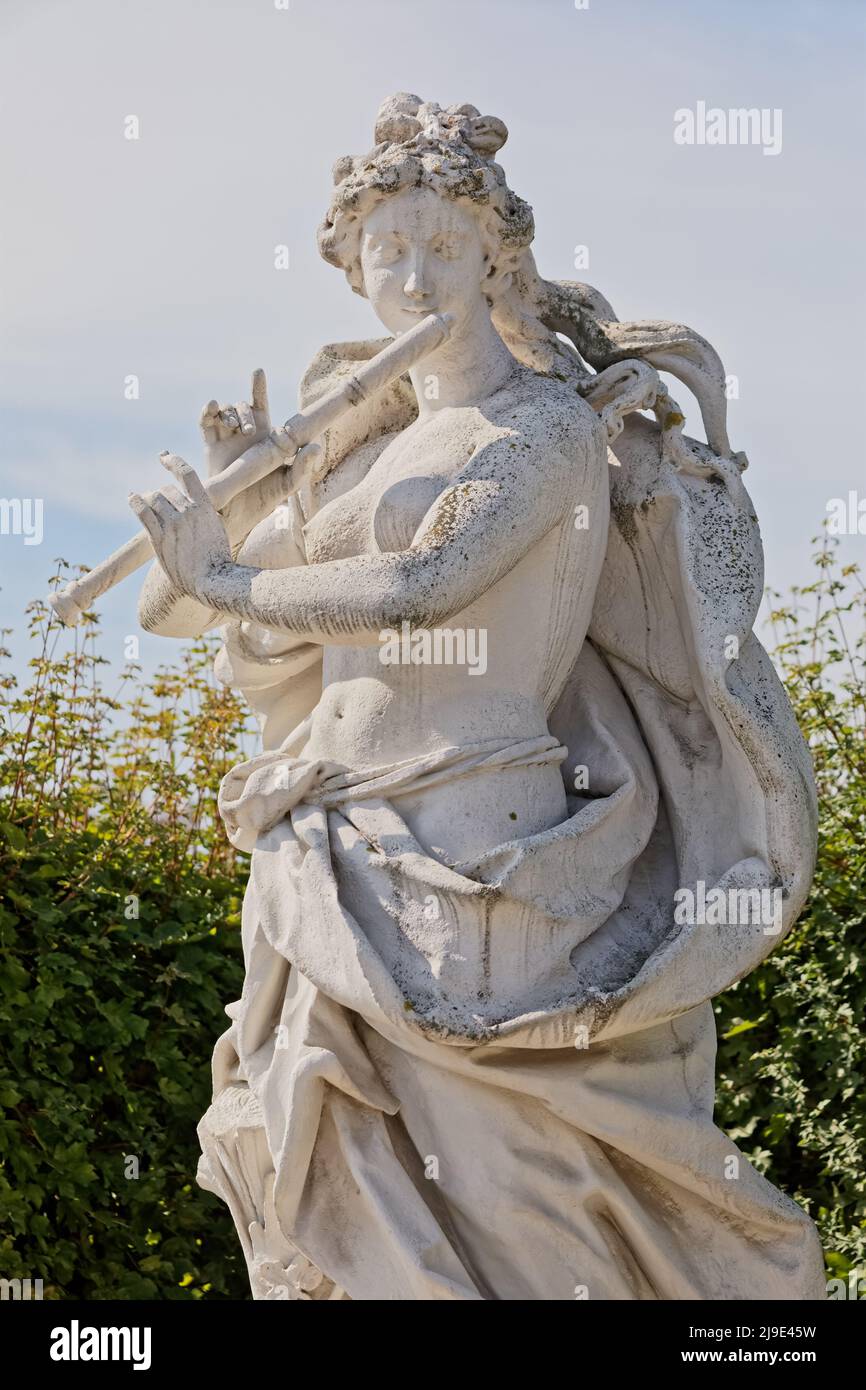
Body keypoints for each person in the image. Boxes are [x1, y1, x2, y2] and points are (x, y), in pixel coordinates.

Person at [134, 93, 825, 1301]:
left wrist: (239, 569)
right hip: (325, 840)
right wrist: (240, 510)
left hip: (475, 843)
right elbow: (179, 609)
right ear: (351, 269)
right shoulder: (366, 443)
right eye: (383, 250)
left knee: (508, 1190)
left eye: (439, 245)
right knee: (331, 1171)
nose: (410, 276)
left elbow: (422, 581)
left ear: (495, 254)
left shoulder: (541, 424)